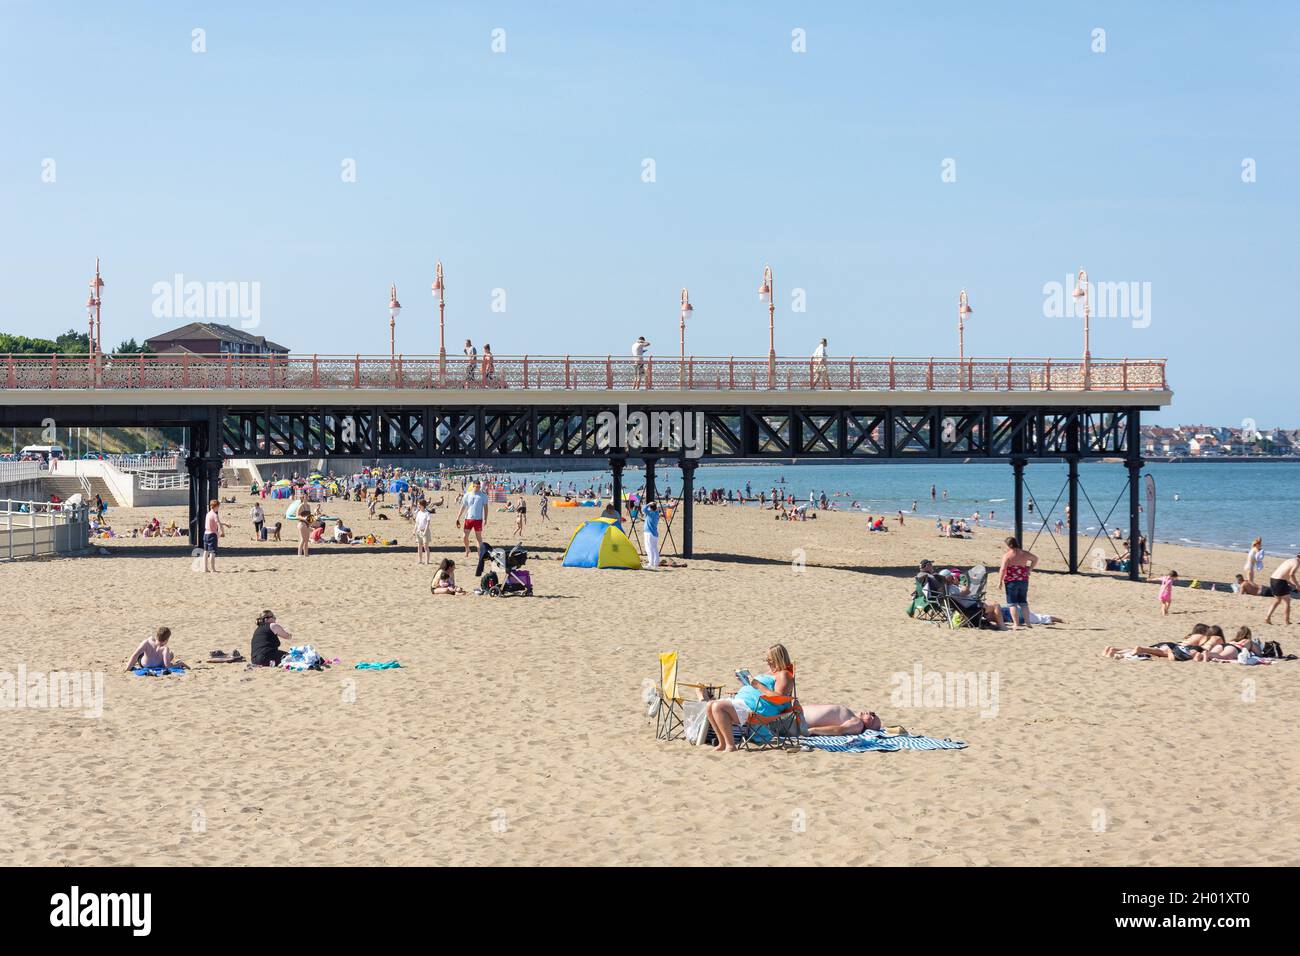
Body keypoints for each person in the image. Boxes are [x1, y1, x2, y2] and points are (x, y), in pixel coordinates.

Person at [704, 644, 796, 753]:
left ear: (778, 658)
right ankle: (722, 743)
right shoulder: (770, 673)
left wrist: (758, 685)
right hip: (744, 702)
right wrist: (746, 682)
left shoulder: (783, 675)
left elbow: (779, 698)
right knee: (709, 705)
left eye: (769, 659)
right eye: (766, 659)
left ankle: (730, 745)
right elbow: (757, 689)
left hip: (759, 709)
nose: (767, 662)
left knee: (718, 706)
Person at [998, 537, 1038, 630]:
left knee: (1012, 603)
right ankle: (1028, 622)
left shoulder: (1007, 555)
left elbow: (1003, 569)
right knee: (1023, 602)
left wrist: (999, 581)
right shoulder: (1024, 553)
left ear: (1009, 545)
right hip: (1023, 580)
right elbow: (1035, 559)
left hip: (1011, 581)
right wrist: (1029, 569)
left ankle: (1016, 623)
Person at [800, 703, 883, 735]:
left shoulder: (858, 724)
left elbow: (838, 730)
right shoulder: (853, 717)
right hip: (796, 712)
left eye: (873, 715)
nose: (869, 712)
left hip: (798, 719)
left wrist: (813, 730)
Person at [1265, 553, 1300, 625]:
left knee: (1277, 600)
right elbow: (1291, 574)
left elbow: (1283, 573)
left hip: (1273, 579)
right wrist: (1297, 585)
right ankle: (1286, 621)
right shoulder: (1297, 563)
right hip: (1280, 581)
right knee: (1287, 601)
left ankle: (1267, 618)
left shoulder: (1289, 560)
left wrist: (1291, 583)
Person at [456, 481, 489, 558]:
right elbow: (463, 507)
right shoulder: (467, 495)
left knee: (479, 538)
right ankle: (467, 549)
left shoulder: (483, 496)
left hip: (478, 519)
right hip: (468, 518)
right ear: (473, 486)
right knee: (464, 536)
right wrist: (458, 517)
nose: (478, 488)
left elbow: (486, 508)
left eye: (479, 486)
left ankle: (480, 555)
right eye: (476, 486)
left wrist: (485, 518)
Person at [202, 498, 224, 572]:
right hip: (212, 534)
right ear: (216, 506)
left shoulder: (208, 514)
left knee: (206, 552)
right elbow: (218, 524)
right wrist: (222, 532)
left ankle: (205, 568)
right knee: (212, 552)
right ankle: (213, 569)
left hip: (206, 534)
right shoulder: (215, 515)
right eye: (218, 506)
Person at [643, 500, 662, 569]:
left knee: (649, 548)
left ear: (650, 508)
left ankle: (650, 563)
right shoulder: (656, 513)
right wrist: (653, 504)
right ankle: (656, 563)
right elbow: (655, 509)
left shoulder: (651, 513)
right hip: (654, 533)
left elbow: (643, 509)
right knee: (654, 548)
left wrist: (648, 504)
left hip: (649, 533)